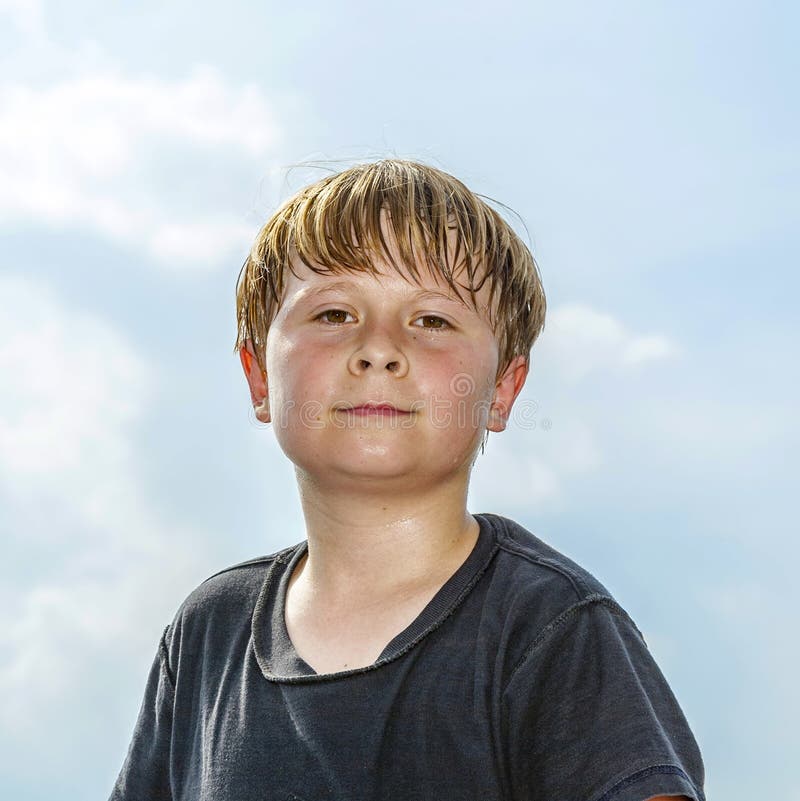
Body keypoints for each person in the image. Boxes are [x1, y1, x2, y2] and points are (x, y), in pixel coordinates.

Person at [109, 159, 705, 801]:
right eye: (334, 314)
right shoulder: (206, 633)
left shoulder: (551, 628)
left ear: (503, 389)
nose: (379, 348)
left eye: (432, 321)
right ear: (259, 377)